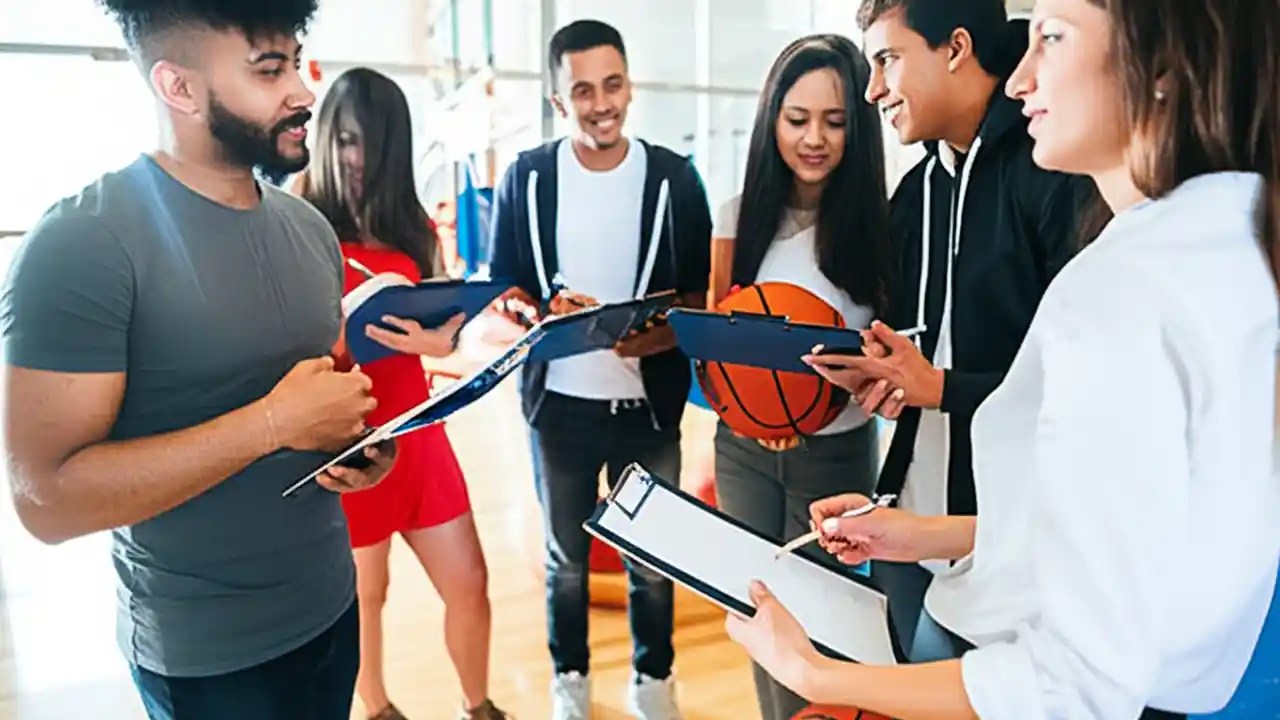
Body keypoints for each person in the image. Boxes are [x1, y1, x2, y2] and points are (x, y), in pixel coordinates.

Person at [727, 0, 1280, 718]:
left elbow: (1075, 684)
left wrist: (816, 676)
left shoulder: (1124, 290)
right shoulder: (1234, 249)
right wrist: (927, 531)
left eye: (1049, 37)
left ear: (1165, 71)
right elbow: (1141, 528)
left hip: (1014, 664)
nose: (1018, 80)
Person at [0, 2, 398, 719]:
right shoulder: (81, 245)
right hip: (206, 658)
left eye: (297, 61)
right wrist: (273, 423)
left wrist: (358, 447)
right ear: (178, 88)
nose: (306, 92)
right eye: (270, 70)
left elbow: (317, 402)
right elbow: (46, 503)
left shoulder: (309, 230)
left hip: (330, 610)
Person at [805, 0, 1096, 663]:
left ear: (956, 47)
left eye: (887, 60)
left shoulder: (1055, 177)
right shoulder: (915, 195)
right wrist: (886, 379)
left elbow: (1080, 391)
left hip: (1007, 535)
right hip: (908, 518)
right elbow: (916, 355)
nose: (873, 89)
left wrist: (939, 387)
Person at [486, 18, 712, 720]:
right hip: (559, 412)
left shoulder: (674, 179)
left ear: (629, 86)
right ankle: (571, 681)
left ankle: (654, 681)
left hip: (646, 412)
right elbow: (505, 293)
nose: (601, 102)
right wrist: (537, 315)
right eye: (582, 90)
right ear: (559, 101)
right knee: (566, 564)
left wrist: (655, 337)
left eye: (612, 84)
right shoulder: (526, 179)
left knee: (652, 562)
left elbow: (700, 295)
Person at [297, 67, 510, 720]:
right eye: (350, 142)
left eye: (377, 146)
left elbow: (447, 326)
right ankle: (379, 709)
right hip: (347, 442)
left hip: (417, 432)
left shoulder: (411, 224)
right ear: (328, 137)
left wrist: (440, 346)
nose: (360, 160)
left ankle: (480, 707)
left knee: (470, 584)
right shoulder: (296, 224)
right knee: (367, 595)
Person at [705, 34, 890, 720]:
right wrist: (751, 414)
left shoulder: (883, 226)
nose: (815, 137)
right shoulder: (735, 219)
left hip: (836, 457)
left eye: (836, 122)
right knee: (759, 623)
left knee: (825, 642)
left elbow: (894, 359)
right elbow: (715, 353)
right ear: (772, 119)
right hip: (743, 454)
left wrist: (845, 387)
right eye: (798, 119)